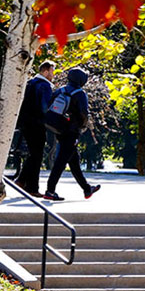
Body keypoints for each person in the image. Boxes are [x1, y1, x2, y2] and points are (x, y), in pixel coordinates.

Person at [43, 68, 100, 201]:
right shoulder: (80, 94)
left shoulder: (61, 90)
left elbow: (49, 105)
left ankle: (87, 189)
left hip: (59, 129)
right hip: (72, 131)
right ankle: (50, 191)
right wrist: (83, 127)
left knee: (74, 160)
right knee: (61, 162)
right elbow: (84, 114)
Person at [9, 60, 56, 197]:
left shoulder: (30, 83)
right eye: (52, 71)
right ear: (45, 71)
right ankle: (31, 187)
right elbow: (45, 108)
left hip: (25, 124)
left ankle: (22, 180)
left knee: (34, 154)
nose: (53, 75)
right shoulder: (44, 85)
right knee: (37, 155)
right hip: (37, 124)